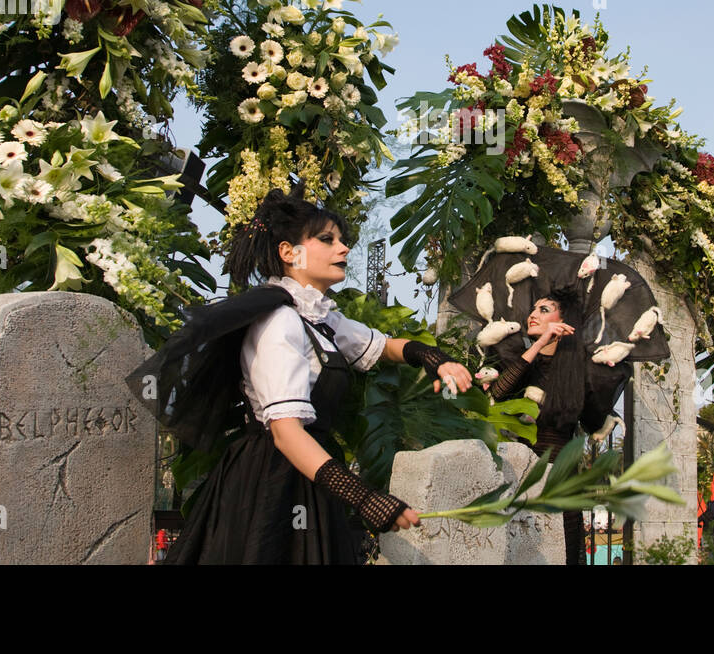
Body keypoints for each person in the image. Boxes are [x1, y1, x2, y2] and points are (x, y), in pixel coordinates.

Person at [127, 184, 472, 564]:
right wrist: (364, 497)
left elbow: (381, 345)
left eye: (342, 240)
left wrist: (434, 358)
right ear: (289, 253)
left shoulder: (317, 317)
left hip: (310, 474)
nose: (343, 249)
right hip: (273, 480)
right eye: (328, 239)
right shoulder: (281, 322)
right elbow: (286, 433)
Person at [485, 287, 594, 565]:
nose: (532, 315)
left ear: (564, 319)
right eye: (533, 309)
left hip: (560, 481)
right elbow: (498, 393)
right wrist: (539, 343)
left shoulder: (577, 368)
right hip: (521, 477)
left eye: (543, 310)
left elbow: (594, 419)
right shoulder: (521, 359)